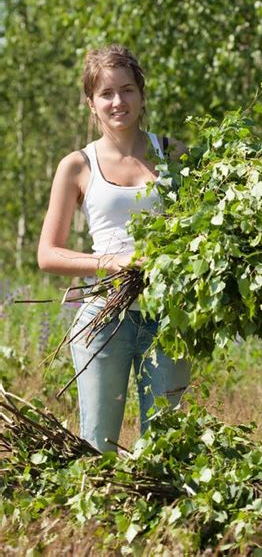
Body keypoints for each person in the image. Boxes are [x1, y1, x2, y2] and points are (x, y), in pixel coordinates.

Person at [38, 44, 191, 452]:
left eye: (127, 90)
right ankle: (99, 518)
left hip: (167, 319)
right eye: (106, 94)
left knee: (166, 448)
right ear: (91, 103)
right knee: (98, 447)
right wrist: (115, 261)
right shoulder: (78, 164)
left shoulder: (174, 155)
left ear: (142, 95)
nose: (118, 101)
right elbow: (48, 253)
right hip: (102, 319)